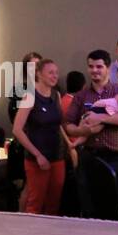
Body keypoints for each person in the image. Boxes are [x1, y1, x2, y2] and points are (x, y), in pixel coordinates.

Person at [65, 50, 118, 218]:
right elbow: (68, 125)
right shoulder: (81, 95)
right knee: (91, 207)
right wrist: (82, 131)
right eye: (91, 66)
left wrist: (102, 118)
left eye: (99, 66)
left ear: (108, 68)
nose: (95, 70)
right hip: (91, 158)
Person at [12, 58, 73, 215]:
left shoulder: (56, 95)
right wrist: (37, 155)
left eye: (56, 73)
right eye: (50, 73)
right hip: (37, 158)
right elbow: (17, 130)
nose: (55, 76)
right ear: (39, 74)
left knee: (54, 202)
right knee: (36, 202)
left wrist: (70, 145)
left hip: (57, 156)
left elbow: (60, 125)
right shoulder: (30, 96)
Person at [7, 51, 42, 124]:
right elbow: (16, 120)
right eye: (32, 66)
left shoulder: (50, 89)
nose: (36, 68)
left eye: (38, 65)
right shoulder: (19, 90)